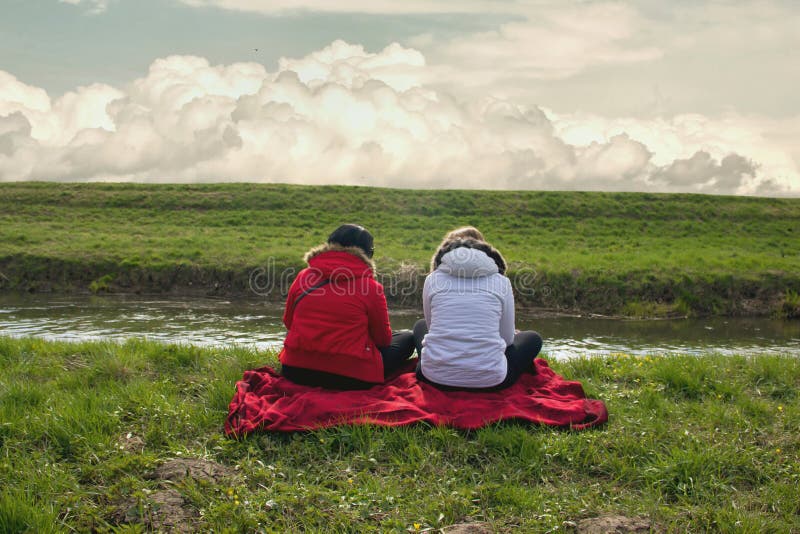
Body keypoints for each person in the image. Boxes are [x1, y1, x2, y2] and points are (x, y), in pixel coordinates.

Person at [279, 224, 416, 389]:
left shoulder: (303, 276)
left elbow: (288, 322)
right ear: (367, 254)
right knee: (407, 337)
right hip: (350, 378)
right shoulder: (371, 287)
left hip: (294, 371)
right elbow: (383, 340)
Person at [413, 227, 543, 390]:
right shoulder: (501, 282)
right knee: (532, 338)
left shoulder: (432, 279)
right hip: (491, 382)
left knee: (420, 325)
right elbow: (508, 340)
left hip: (433, 377)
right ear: (483, 248)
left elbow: (431, 327)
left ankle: (439, 365)